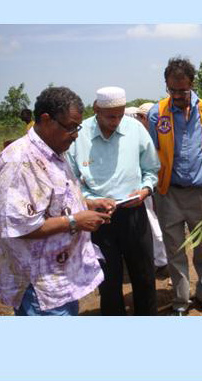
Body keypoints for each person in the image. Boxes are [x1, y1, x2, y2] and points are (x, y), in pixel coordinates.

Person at [0, 86, 110, 315]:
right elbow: (20, 226)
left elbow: (53, 200)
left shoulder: (53, 151)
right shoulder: (20, 161)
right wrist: (76, 221)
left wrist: (88, 204)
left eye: (78, 127)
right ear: (46, 120)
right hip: (40, 287)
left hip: (61, 278)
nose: (76, 134)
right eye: (70, 127)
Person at [66, 86, 160, 315]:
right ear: (96, 109)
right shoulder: (80, 135)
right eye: (110, 116)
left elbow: (151, 170)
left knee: (144, 275)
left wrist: (145, 191)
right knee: (108, 279)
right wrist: (91, 201)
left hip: (134, 213)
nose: (116, 121)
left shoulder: (135, 129)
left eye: (120, 115)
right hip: (99, 219)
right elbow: (71, 181)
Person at [147, 57, 202, 315]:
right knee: (175, 250)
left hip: (200, 194)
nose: (177, 95)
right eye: (172, 90)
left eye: (182, 90)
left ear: (192, 85)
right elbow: (150, 155)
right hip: (168, 195)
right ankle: (181, 302)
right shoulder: (156, 114)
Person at [133, 102, 168, 269]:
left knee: (154, 223)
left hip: (154, 187)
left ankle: (160, 260)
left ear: (144, 117)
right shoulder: (149, 134)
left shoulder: (147, 136)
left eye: (139, 118)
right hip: (156, 185)